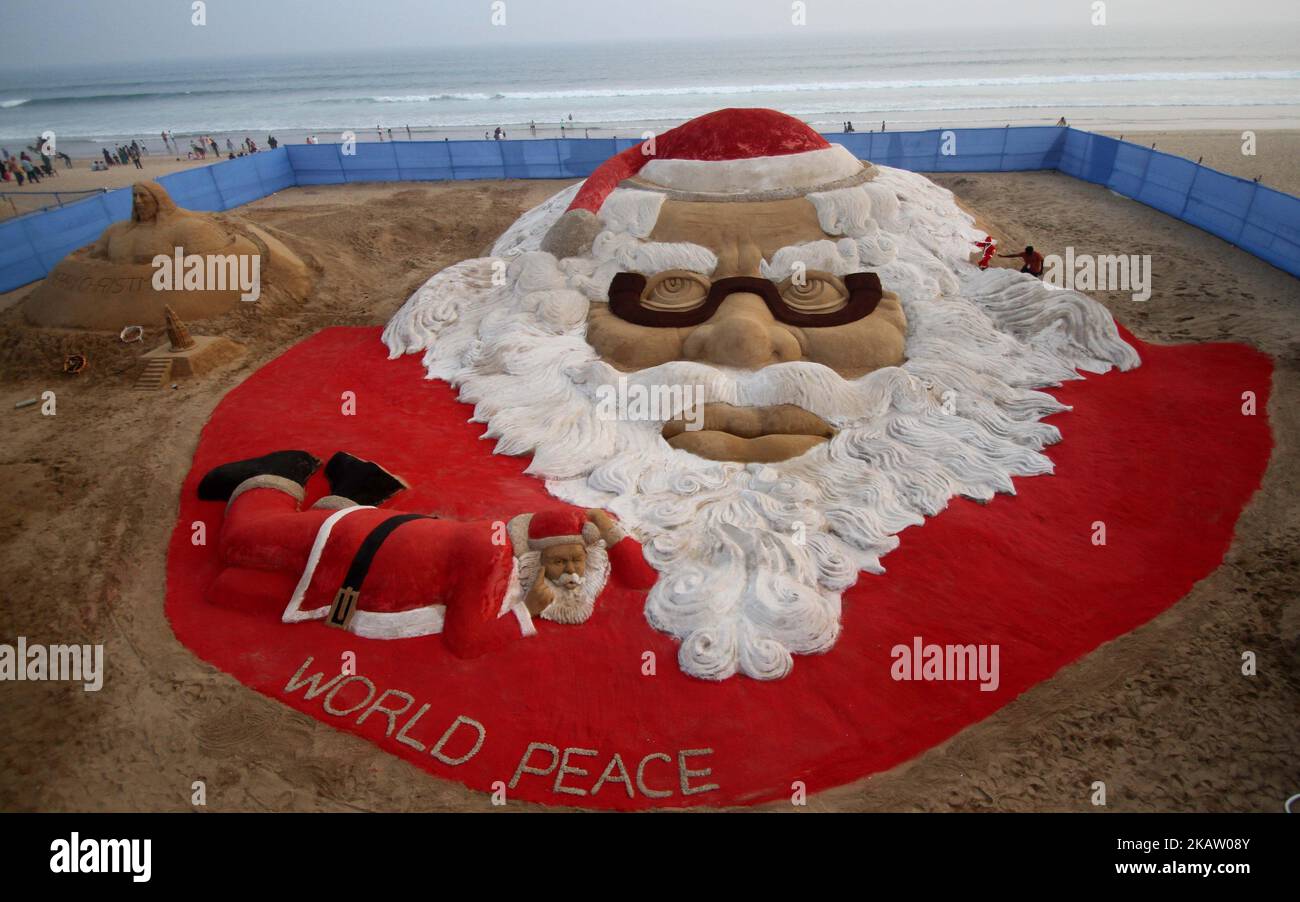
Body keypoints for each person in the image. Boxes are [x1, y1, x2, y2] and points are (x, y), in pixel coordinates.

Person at [196, 450, 656, 657]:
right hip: (339, 541)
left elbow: (638, 577)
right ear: (537, 562)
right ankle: (278, 470)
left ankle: (355, 486)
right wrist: (527, 613)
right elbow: (466, 643)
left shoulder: (526, 539)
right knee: (242, 543)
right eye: (562, 565)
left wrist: (608, 527)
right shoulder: (492, 564)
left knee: (239, 586)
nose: (570, 574)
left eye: (575, 565)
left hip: (364, 556)